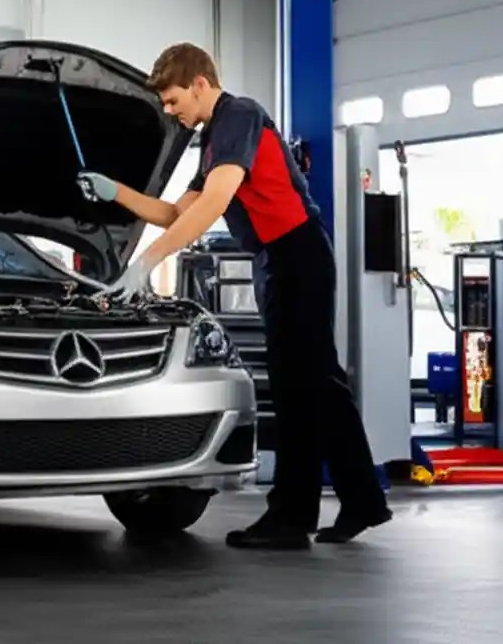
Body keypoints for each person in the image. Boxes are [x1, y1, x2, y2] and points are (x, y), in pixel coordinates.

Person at [81, 43, 392, 550]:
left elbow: (215, 205)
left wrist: (148, 261)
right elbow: (175, 213)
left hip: (299, 255)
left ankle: (292, 518)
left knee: (299, 386)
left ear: (200, 83)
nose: (170, 112)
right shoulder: (212, 141)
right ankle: (362, 501)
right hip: (279, 260)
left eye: (174, 100)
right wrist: (117, 192)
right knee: (318, 384)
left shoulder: (239, 116)